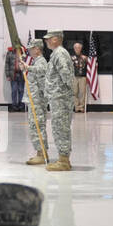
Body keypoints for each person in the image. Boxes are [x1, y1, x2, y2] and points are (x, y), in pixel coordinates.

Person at [43, 30, 74, 171]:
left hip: (60, 98)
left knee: (61, 128)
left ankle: (63, 161)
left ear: (56, 39)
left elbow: (66, 75)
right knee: (59, 128)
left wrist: (62, 94)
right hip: (58, 97)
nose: (46, 41)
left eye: (49, 39)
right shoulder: (56, 53)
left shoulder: (60, 53)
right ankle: (63, 159)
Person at [20, 37, 49, 166]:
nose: (29, 52)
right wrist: (27, 68)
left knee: (37, 126)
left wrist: (28, 68)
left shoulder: (41, 61)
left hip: (37, 100)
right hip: (34, 99)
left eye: (31, 49)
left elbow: (42, 70)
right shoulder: (36, 62)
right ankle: (40, 153)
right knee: (35, 126)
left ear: (37, 49)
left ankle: (42, 154)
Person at [72, 41, 89, 112]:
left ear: (81, 48)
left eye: (79, 47)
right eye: (76, 47)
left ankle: (81, 107)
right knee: (74, 92)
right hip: (74, 77)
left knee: (82, 92)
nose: (77, 49)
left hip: (83, 77)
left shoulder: (85, 58)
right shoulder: (71, 58)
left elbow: (90, 67)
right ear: (74, 48)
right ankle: (76, 107)